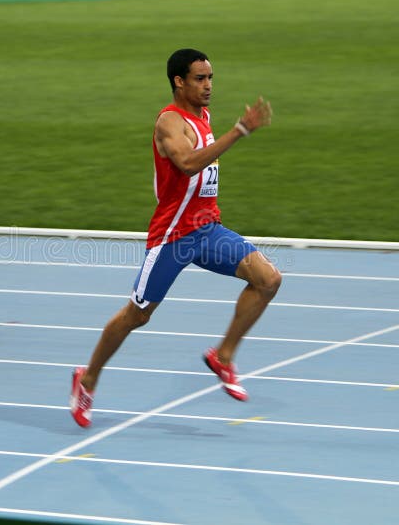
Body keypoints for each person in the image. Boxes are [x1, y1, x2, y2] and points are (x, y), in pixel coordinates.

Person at [70, 48, 281, 427]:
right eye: (200, 78)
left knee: (268, 280)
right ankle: (87, 378)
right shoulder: (170, 122)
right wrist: (240, 131)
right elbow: (186, 164)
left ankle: (223, 356)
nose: (208, 86)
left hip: (207, 229)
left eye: (211, 78)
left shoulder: (203, 116)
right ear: (178, 82)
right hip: (173, 235)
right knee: (138, 315)